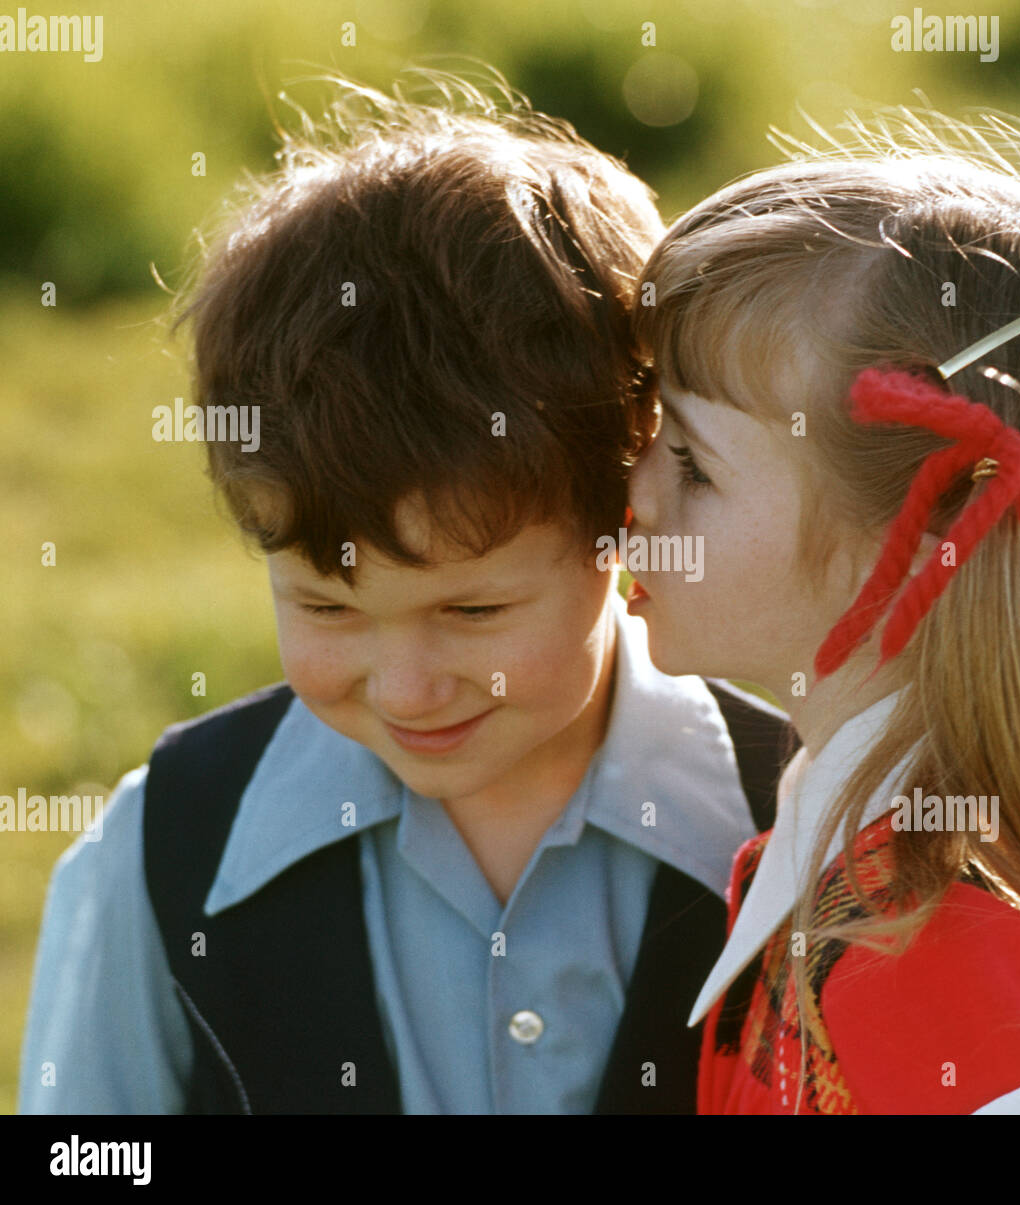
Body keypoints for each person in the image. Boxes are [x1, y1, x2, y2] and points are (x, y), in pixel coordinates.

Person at [18, 71, 791, 1115]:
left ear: (631, 515)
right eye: (326, 607)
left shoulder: (804, 835)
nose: (409, 687)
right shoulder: (160, 852)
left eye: (473, 611)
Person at [624, 110, 1020, 1114]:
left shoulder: (965, 980)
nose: (634, 495)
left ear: (935, 531)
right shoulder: (917, 836)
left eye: (693, 463)